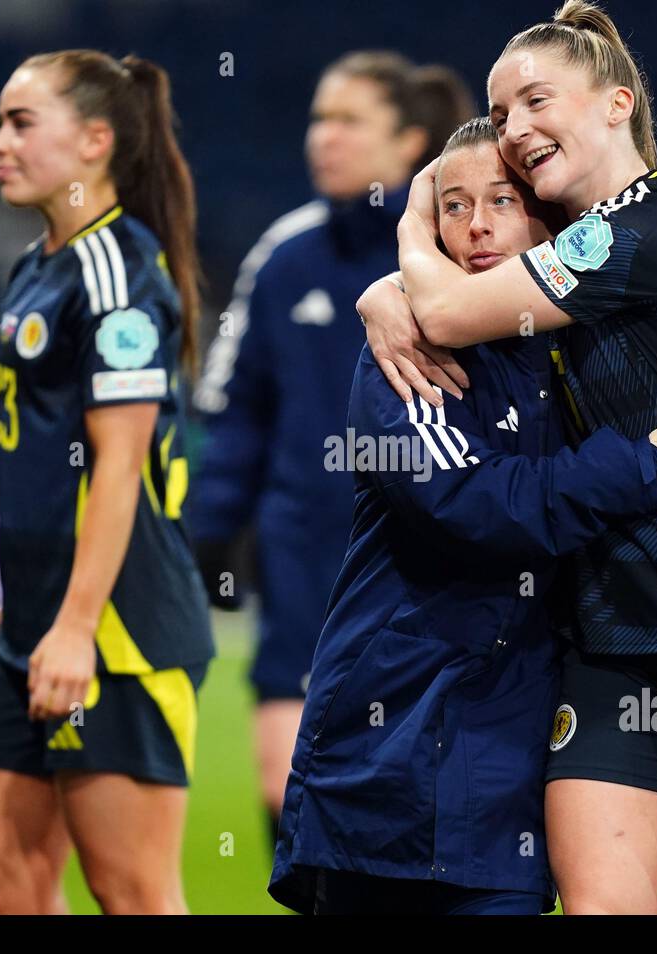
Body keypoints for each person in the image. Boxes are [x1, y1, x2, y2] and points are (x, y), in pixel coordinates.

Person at [270, 118, 657, 915]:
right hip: (391, 756)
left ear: (561, 227)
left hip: (511, 774)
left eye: (502, 199)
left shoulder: (589, 339)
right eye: (453, 207)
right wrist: (391, 286)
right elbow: (465, 504)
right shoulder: (412, 354)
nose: (477, 225)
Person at [190, 51, 474, 847]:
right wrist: (206, 539)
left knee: (413, 799)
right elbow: (237, 416)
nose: (324, 138)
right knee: (287, 796)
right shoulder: (286, 256)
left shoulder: (464, 253)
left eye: (349, 121)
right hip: (304, 561)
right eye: (319, 119)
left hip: (432, 570)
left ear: (410, 140)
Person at [0, 49, 213, 915]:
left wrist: (75, 623)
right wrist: (36, 600)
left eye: (21, 122)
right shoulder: (37, 265)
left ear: (95, 141)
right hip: (40, 621)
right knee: (9, 873)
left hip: (118, 633)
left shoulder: (115, 273)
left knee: (133, 892)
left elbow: (118, 462)